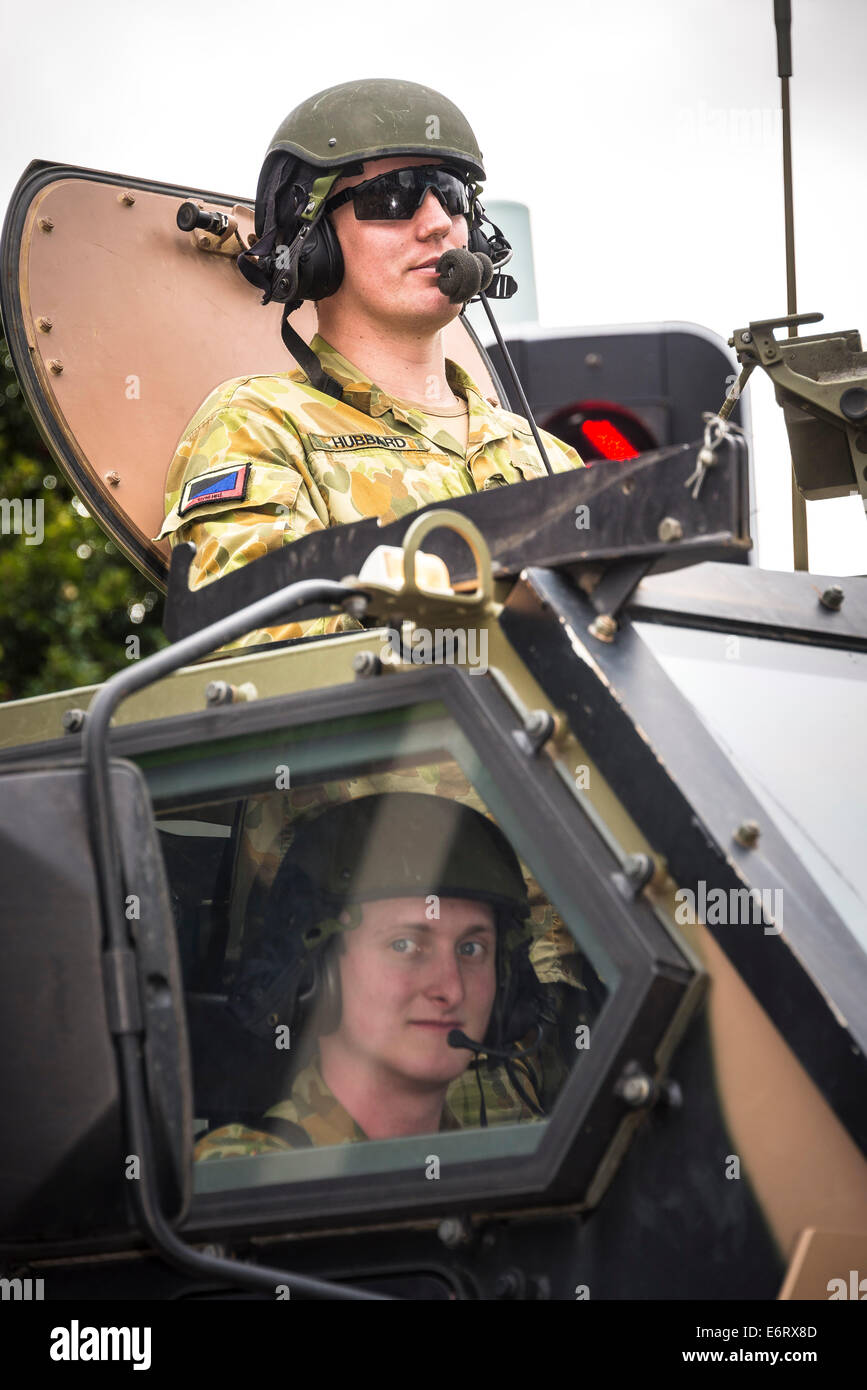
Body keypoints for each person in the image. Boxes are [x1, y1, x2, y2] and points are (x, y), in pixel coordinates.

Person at [156, 78, 584, 648]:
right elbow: (268, 658)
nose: (436, 223)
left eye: (451, 196)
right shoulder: (261, 425)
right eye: (395, 196)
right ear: (313, 245)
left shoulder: (549, 456)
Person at [194, 793, 551, 1159]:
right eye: (405, 946)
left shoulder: (505, 1168)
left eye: (471, 949)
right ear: (319, 977)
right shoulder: (246, 1176)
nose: (451, 988)